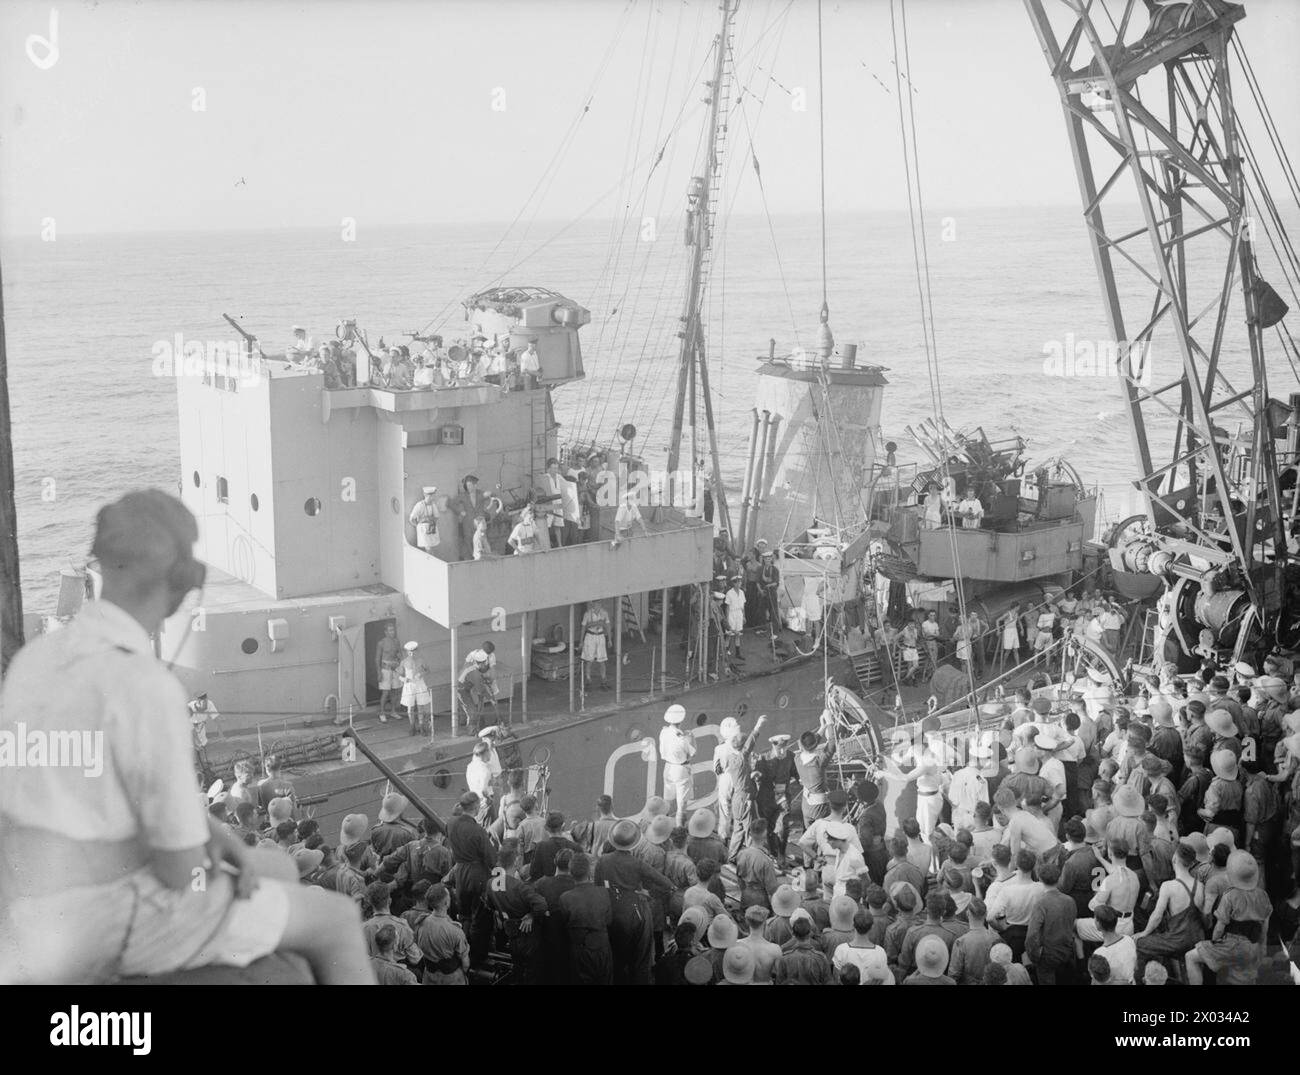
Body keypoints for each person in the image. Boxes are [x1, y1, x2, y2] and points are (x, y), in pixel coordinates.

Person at [0, 489, 373, 984]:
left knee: (271, 868)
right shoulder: (145, 686)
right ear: (180, 582)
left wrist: (223, 842)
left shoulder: (33, 662)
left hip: (32, 916)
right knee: (336, 921)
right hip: (110, 923)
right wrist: (229, 870)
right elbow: (178, 872)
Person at [593, 821, 673, 985]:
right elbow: (667, 885)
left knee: (615, 957)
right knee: (639, 959)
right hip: (635, 914)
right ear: (634, 842)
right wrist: (649, 893)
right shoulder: (637, 863)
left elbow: (598, 887)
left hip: (610, 912)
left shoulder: (603, 861)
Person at [1185, 850, 1272, 985]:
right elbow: (1265, 927)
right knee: (1243, 978)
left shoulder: (1230, 896)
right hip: (1253, 946)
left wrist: (1214, 945)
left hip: (1232, 945)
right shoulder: (1263, 895)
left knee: (1190, 957)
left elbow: (1219, 929)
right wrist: (1262, 948)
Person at [446, 792, 496, 965]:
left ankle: (462, 948)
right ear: (475, 807)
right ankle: (477, 956)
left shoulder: (451, 824)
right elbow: (491, 859)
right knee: (481, 916)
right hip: (477, 875)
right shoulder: (478, 831)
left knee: (464, 914)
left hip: (460, 874)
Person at [1026, 861, 1076, 984]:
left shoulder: (1041, 903)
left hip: (1048, 955)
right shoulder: (1070, 900)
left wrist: (1034, 956)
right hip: (1066, 951)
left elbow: (1032, 934)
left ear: (1039, 879)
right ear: (1059, 878)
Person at [416, 883, 470, 984]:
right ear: (446, 903)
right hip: (451, 979)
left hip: (429, 977)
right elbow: (465, 964)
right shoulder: (455, 931)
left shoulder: (421, 923)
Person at [659, 704, 697, 826]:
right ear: (681, 720)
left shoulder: (663, 732)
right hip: (681, 769)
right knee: (682, 805)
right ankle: (679, 830)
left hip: (668, 767)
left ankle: (663, 827)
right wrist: (691, 737)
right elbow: (693, 753)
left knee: (667, 801)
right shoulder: (682, 738)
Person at [398, 641, 432, 737]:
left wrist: (421, 674)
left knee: (421, 706)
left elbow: (428, 670)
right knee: (410, 707)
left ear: (417, 651)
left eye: (413, 651)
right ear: (407, 652)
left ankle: (421, 726)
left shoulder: (421, 660)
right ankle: (412, 726)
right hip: (409, 685)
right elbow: (399, 675)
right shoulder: (404, 662)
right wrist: (404, 679)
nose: (412, 653)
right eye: (410, 651)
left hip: (419, 684)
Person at [580, 600, 612, 692]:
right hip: (590, 637)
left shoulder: (604, 613)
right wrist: (581, 641)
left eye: (599, 603)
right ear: (592, 604)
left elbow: (607, 626)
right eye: (595, 603)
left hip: (600, 636)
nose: (597, 605)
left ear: (601, 604)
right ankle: (588, 681)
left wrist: (609, 639)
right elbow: (584, 627)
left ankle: (604, 681)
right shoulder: (587, 614)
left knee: (602, 660)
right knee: (589, 660)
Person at [375, 623, 402, 722]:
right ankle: (382, 713)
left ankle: (393, 711)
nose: (392, 632)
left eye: (393, 630)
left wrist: (399, 663)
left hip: (395, 669)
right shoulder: (381, 643)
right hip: (385, 669)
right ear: (385, 632)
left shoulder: (396, 641)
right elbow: (377, 658)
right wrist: (379, 672)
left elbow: (400, 654)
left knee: (395, 691)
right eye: (390, 630)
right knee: (385, 692)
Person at [409, 487, 441, 552]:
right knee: (428, 549)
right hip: (423, 530)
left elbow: (437, 516)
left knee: (431, 548)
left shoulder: (433, 504)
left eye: (432, 495)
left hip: (431, 529)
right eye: (429, 495)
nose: (431, 497)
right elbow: (412, 518)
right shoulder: (419, 505)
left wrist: (432, 521)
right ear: (425, 495)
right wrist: (418, 526)